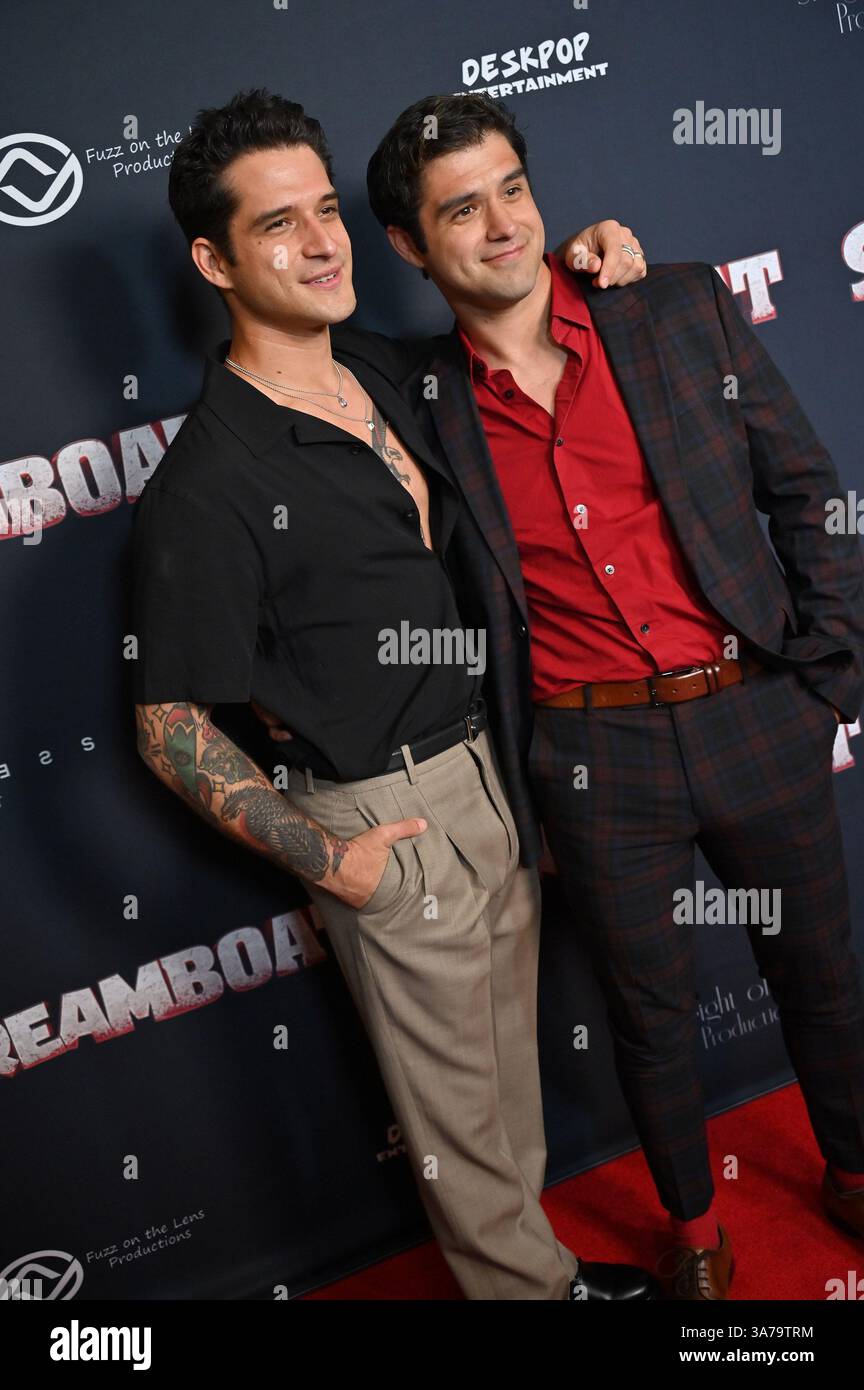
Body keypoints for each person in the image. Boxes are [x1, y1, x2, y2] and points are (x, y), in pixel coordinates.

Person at [132, 87, 657, 1300]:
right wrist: (334, 862)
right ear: (213, 259)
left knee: (502, 1102)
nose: (323, 244)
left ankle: (547, 1283)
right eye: (280, 227)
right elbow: (167, 724)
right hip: (382, 824)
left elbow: (513, 322)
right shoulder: (208, 485)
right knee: (460, 1136)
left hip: (490, 774)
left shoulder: (378, 365)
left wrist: (589, 255)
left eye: (329, 212)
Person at [348, 92, 864, 1300]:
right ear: (410, 249)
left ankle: (850, 1171)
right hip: (591, 756)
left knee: (825, 974)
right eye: (458, 209)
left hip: (753, 711)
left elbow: (807, 490)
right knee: (649, 1013)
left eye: (512, 189)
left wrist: (826, 674)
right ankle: (693, 1232)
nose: (501, 224)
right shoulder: (413, 399)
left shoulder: (677, 306)